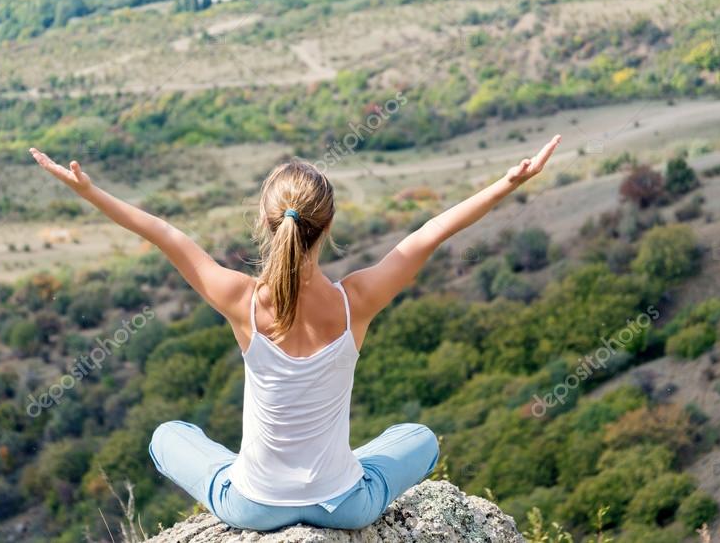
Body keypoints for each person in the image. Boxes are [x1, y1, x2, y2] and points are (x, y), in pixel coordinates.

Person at [29, 134, 561, 530]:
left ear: (266, 223)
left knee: (167, 435)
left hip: (253, 506)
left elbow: (164, 234)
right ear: (328, 227)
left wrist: (90, 191)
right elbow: (432, 232)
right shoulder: (356, 302)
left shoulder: (241, 300)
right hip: (345, 506)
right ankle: (328, 470)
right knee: (418, 438)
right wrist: (510, 182)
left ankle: (257, 471)